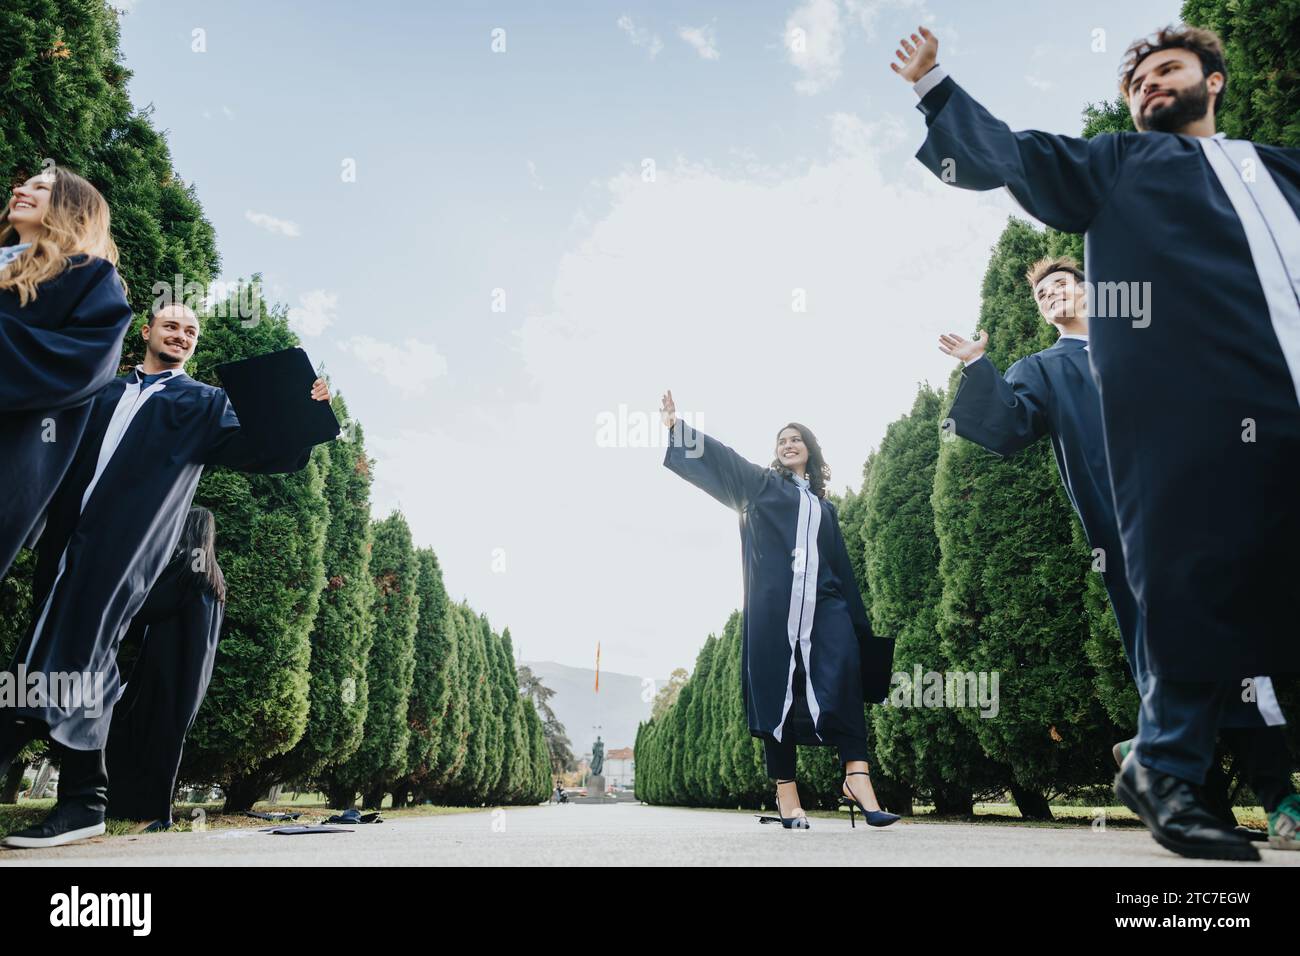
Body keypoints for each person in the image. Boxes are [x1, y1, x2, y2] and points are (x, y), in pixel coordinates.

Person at [892, 24, 1300, 859]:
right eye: (1138, 80)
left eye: (1169, 70)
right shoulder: (1119, 168)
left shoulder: (1279, 169)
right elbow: (1014, 156)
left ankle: (1176, 768)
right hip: (1177, 462)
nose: (1151, 85)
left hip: (1279, 408)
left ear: (1213, 80)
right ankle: (1189, 777)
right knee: (1202, 617)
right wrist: (935, 90)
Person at [938, 254, 1295, 845]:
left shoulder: (1144, 345)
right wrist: (978, 367)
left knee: (1236, 653)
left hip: (1197, 514)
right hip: (1125, 531)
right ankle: (1199, 805)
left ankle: (1274, 795)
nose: (1052, 295)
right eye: (1042, 295)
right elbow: (1007, 426)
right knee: (1162, 656)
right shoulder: (1044, 368)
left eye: (1062, 285)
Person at [0, 302, 333, 849]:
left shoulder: (204, 403)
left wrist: (303, 414)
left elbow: (262, 450)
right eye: (172, 325)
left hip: (126, 550)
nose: (181, 335)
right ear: (149, 331)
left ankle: (85, 800)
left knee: (81, 650)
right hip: (63, 543)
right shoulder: (101, 391)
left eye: (191, 332)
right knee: (44, 652)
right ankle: (81, 796)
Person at [660, 390, 898, 830]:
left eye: (796, 439)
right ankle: (787, 794)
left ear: (810, 450)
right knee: (778, 692)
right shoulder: (761, 486)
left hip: (824, 606)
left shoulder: (825, 508)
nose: (788, 444)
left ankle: (857, 778)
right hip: (775, 609)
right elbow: (724, 459)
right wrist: (679, 430)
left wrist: (855, 622)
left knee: (844, 672)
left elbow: (839, 567)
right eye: (782, 440)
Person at [0, 167, 135, 581]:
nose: (20, 189)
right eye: (24, 184)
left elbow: (82, 366)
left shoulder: (90, 278)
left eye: (41, 188)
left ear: (71, 208)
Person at [105, 506, 226, 829]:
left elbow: (147, 608)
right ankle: (146, 810)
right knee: (165, 739)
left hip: (167, 672)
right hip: (191, 676)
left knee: (142, 735)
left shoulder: (185, 569)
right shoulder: (212, 576)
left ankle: (154, 814)